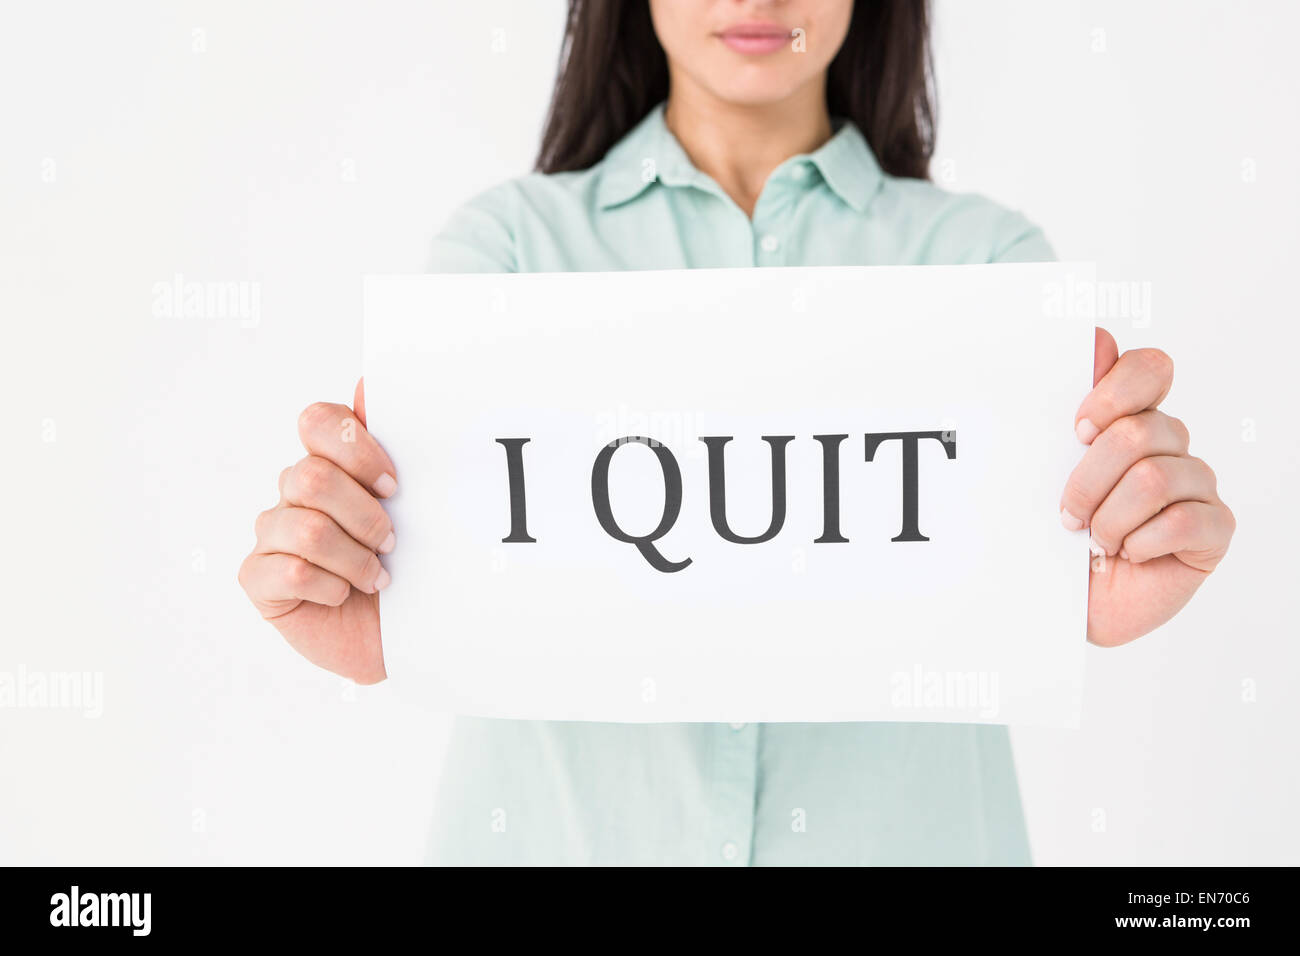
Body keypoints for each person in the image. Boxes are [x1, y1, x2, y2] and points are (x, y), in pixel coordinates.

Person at [237, 0, 1235, 865]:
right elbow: (431, 561)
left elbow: (1035, 571)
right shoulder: (503, 250)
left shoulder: (991, 266)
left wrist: (1103, 568)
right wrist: (381, 609)